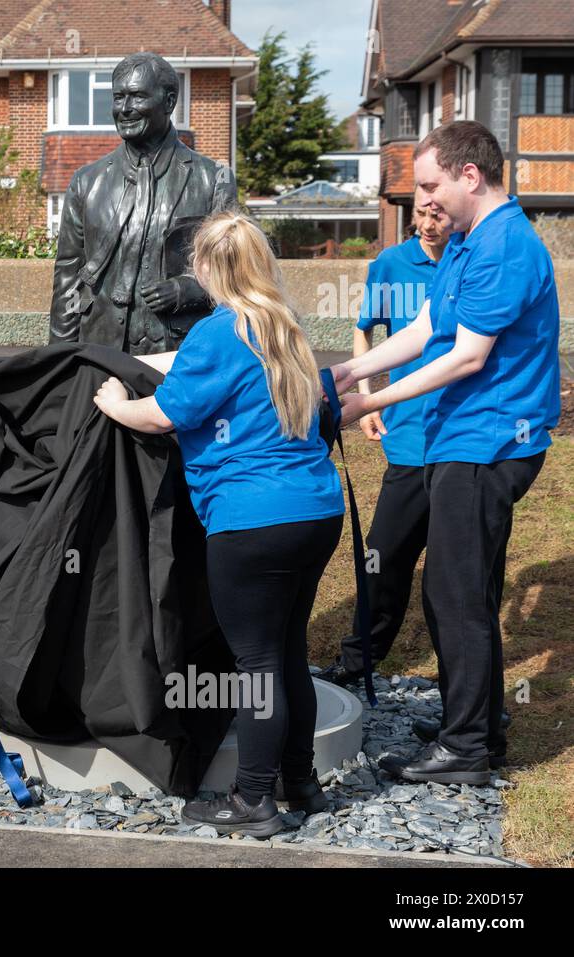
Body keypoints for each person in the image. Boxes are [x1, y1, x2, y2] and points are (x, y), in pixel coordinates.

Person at [93, 211, 343, 837]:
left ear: (204, 269)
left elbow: (164, 415)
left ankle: (253, 801)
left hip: (250, 518)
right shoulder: (287, 328)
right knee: (287, 652)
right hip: (315, 511)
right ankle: (301, 782)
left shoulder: (216, 333)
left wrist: (116, 404)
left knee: (255, 663)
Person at [330, 121, 560, 785]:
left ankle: (464, 750)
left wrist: (369, 404)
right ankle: (481, 724)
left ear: (470, 176)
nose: (422, 198)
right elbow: (429, 327)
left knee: (453, 592)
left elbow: (467, 354)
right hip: (463, 438)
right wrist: (349, 375)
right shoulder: (467, 240)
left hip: (490, 442)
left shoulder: (506, 245)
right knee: (470, 590)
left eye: (429, 183)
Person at [317, 198, 448, 688]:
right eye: (421, 214)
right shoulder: (392, 264)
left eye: (438, 215)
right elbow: (364, 332)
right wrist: (367, 400)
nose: (429, 225)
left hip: (463, 437)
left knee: (455, 571)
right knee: (384, 555)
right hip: (410, 434)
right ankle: (359, 661)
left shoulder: (467, 259)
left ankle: (463, 685)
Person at [49, 51, 237, 355]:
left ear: (169, 101)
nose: (124, 109)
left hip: (182, 355)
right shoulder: (86, 181)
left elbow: (237, 271)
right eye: (118, 97)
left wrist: (186, 289)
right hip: (102, 351)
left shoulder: (214, 179)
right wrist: (57, 359)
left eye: (137, 97)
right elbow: (68, 276)